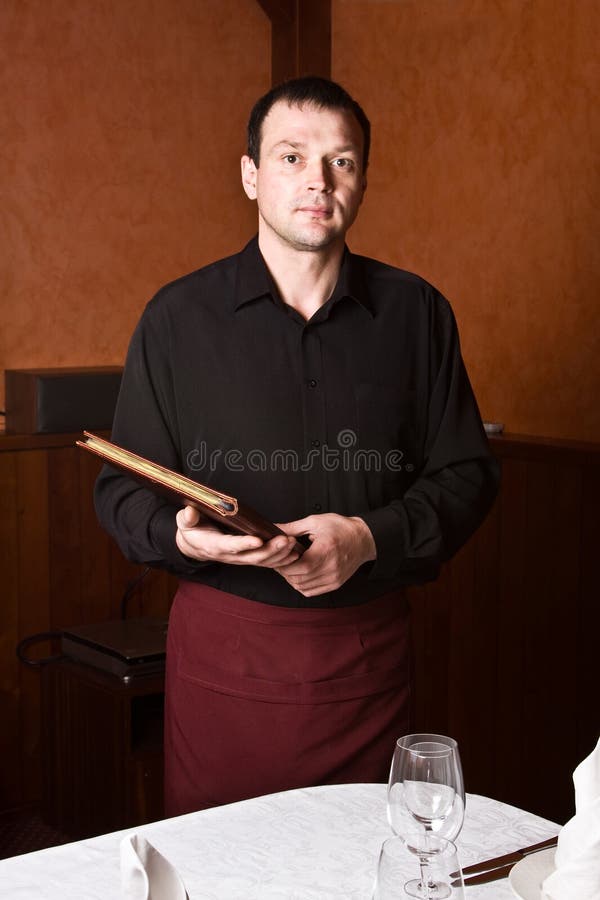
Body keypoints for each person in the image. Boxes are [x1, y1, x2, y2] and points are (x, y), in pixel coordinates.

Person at [95, 76, 499, 816]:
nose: (317, 180)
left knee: (366, 874)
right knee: (221, 872)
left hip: (367, 658)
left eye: (341, 161)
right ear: (250, 174)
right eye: (290, 157)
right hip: (225, 657)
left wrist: (369, 537)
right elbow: (120, 490)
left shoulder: (417, 314)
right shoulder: (177, 317)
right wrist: (182, 540)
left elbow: (467, 475)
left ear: (363, 179)